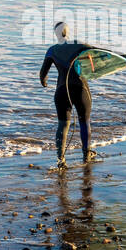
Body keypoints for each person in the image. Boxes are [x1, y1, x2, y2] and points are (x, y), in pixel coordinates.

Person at [40, 21, 95, 165]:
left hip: (62, 91)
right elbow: (100, 54)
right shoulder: (80, 44)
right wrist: (124, 59)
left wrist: (45, 83)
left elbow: (42, 76)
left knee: (63, 125)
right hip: (81, 88)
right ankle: (86, 154)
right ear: (67, 31)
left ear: (56, 34)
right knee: (84, 122)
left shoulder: (52, 50)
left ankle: (61, 159)